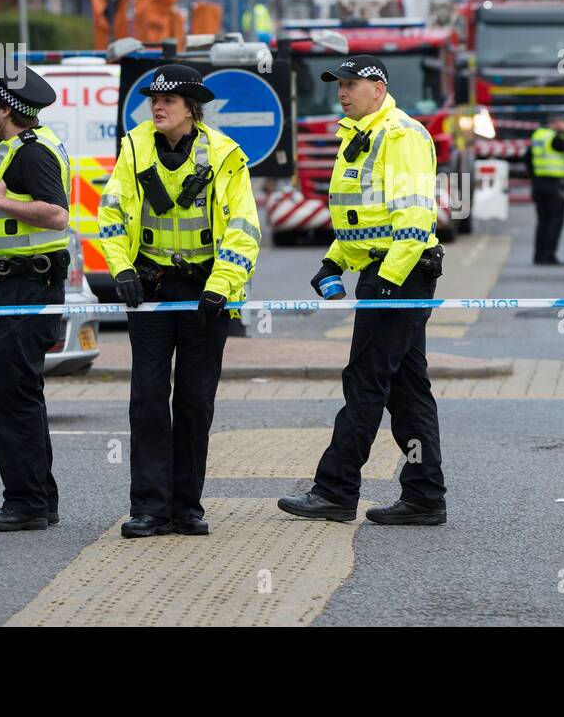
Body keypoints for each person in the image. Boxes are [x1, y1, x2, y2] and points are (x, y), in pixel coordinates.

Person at [278, 53, 448, 526]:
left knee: (365, 382)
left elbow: (414, 217)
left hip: (401, 273)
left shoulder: (401, 135)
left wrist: (390, 284)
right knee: (407, 391)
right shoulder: (359, 136)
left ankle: (335, 491)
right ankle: (424, 495)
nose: (342, 92)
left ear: (378, 87)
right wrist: (334, 261)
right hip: (390, 272)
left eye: (351, 84)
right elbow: (363, 221)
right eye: (339, 85)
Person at [97, 63, 261, 538]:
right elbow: (111, 215)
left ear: (192, 109)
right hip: (150, 287)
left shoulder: (226, 155)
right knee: (148, 399)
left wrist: (221, 284)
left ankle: (187, 506)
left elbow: (243, 229)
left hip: (205, 292)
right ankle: (149, 507)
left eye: (168, 101)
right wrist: (122, 269)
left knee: (194, 401)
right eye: (153, 100)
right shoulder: (134, 147)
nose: (158, 107)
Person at [0, 67, 71, 532]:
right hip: (15, 284)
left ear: (7, 109)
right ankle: (36, 500)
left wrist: (0, 201)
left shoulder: (32, 154)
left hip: (30, 287)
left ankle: (27, 503)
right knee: (17, 392)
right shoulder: (11, 148)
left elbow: (56, 216)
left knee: (13, 395)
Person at [530, 115, 564, 265]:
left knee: (542, 220)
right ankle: (549, 255)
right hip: (555, 184)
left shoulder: (538, 136)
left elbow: (527, 158)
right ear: (555, 123)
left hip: (539, 182)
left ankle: (539, 255)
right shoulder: (554, 139)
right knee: (555, 221)